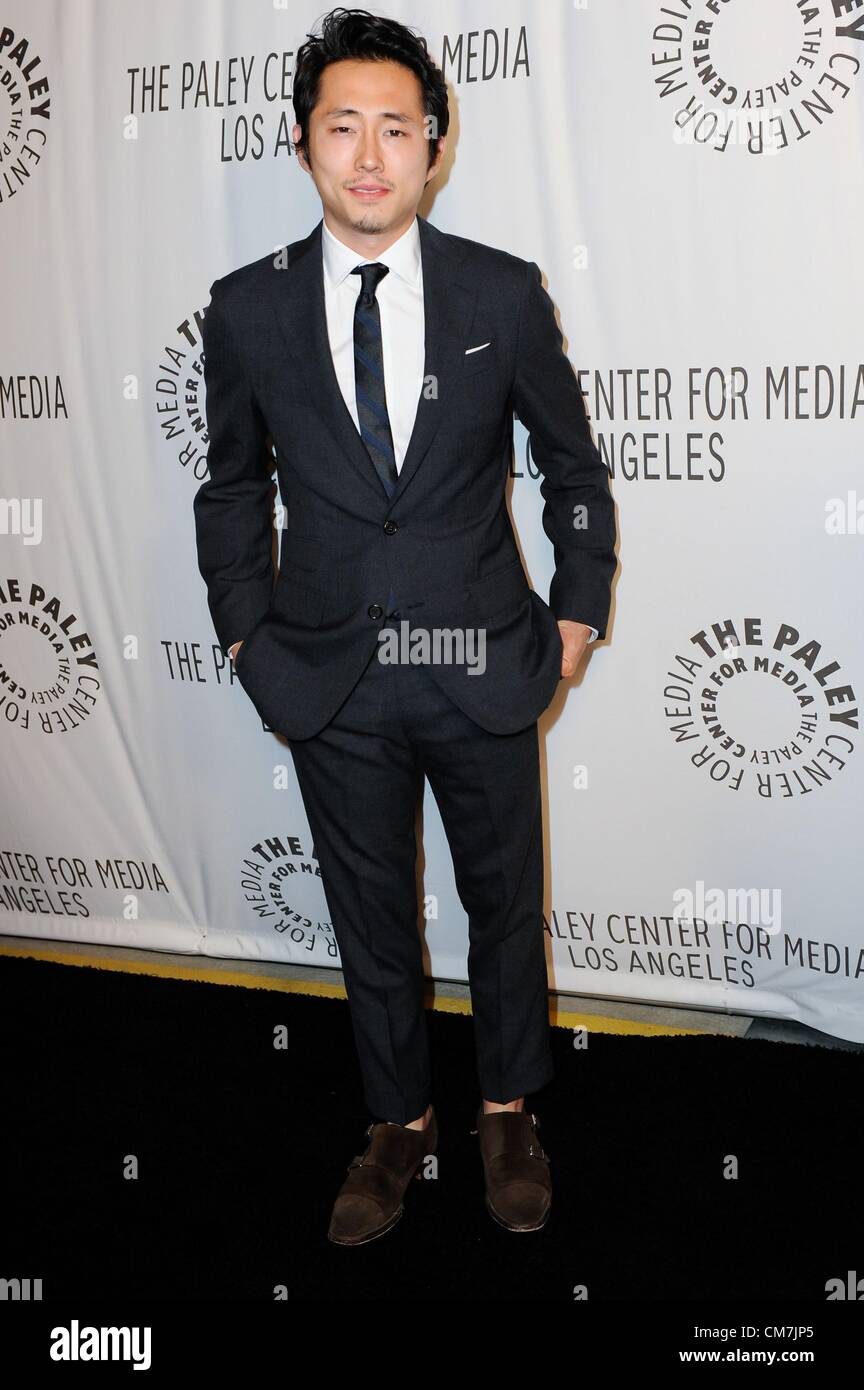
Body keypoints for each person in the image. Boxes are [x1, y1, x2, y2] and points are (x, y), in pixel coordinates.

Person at [194, 6, 616, 1246]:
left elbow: (571, 467)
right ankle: (395, 1123)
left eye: (397, 127)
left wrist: (577, 614)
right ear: (302, 141)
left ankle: (504, 1109)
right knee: (368, 907)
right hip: (327, 671)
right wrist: (241, 635)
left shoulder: (499, 288)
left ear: (435, 145)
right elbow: (229, 485)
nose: (370, 154)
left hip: (482, 659)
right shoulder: (246, 308)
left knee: (504, 901)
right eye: (344, 127)